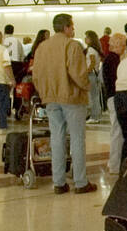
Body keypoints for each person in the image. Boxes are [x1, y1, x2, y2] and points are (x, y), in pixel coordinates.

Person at [32, 14, 95, 194]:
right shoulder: (72, 45)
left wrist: (45, 92)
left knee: (56, 138)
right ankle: (81, 182)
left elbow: (36, 74)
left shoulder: (42, 47)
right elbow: (78, 73)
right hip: (72, 98)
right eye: (72, 26)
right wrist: (87, 86)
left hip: (50, 98)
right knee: (77, 139)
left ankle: (59, 182)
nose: (73, 30)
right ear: (67, 27)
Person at [102, 33, 126, 172]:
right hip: (115, 97)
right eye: (123, 45)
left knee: (116, 130)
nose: (124, 48)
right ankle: (115, 164)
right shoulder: (113, 60)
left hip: (111, 97)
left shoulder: (110, 59)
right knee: (117, 131)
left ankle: (114, 163)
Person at [83, 31, 104, 123]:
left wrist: (86, 72)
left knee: (92, 96)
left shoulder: (91, 50)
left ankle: (94, 116)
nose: (85, 39)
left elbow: (92, 63)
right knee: (95, 96)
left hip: (91, 75)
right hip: (95, 74)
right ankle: (96, 115)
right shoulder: (95, 49)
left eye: (86, 37)